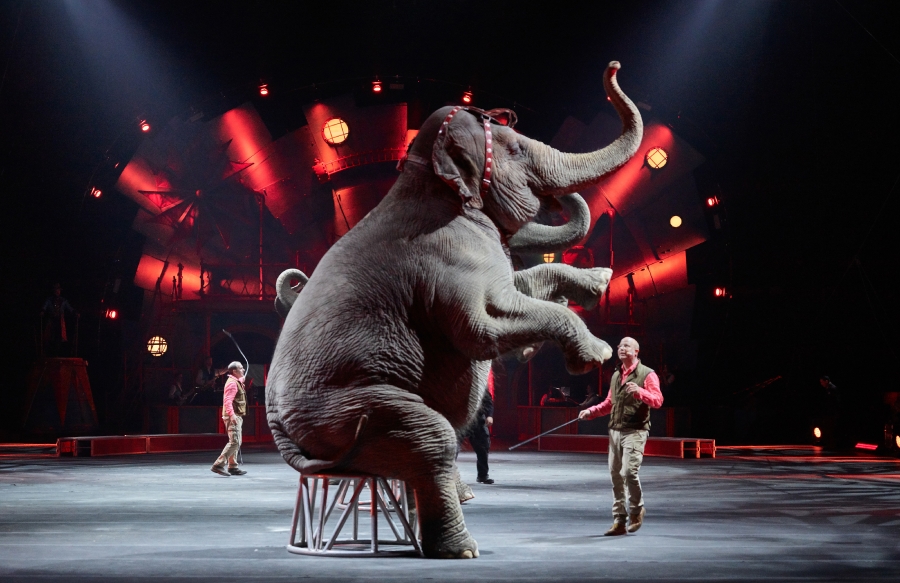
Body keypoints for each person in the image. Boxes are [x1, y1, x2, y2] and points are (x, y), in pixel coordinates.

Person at [578, 337, 663, 536]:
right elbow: (609, 404)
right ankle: (619, 521)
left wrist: (640, 392)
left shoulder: (648, 374)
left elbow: (658, 400)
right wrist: (591, 412)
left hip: (635, 431)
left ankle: (637, 510)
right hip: (615, 431)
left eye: (626, 346)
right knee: (616, 476)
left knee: (628, 472)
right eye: (619, 346)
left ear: (636, 351)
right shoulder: (616, 375)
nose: (621, 348)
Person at [210, 362, 248, 476]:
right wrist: (232, 416)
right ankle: (218, 465)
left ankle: (233, 466)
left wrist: (241, 381)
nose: (243, 369)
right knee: (234, 441)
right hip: (233, 416)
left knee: (237, 441)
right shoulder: (232, 383)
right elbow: (227, 401)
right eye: (241, 368)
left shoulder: (235, 382)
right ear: (235, 371)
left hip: (236, 415)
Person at [458, 372, 495, 484]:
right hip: (460, 421)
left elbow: (488, 402)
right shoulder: (456, 385)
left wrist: (489, 415)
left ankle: (483, 475)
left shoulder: (480, 385)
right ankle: (448, 477)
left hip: (477, 420)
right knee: (452, 448)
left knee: (483, 447)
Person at [40, 283, 77, 357]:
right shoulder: (49, 300)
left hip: (60, 321)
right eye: (56, 290)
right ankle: (50, 353)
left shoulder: (63, 300)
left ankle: (58, 354)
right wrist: (42, 311)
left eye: (59, 290)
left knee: (59, 338)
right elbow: (45, 306)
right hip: (52, 320)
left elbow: (69, 308)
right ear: (54, 291)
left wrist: (75, 313)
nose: (58, 291)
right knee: (50, 337)